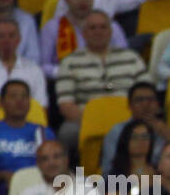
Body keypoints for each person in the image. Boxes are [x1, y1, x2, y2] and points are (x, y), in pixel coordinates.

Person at [55, 11, 153, 151]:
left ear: (111, 31)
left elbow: (147, 95)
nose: (98, 32)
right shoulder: (69, 62)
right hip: (86, 122)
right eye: (93, 28)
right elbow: (66, 104)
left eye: (103, 27)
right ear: (83, 33)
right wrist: (96, 122)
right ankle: (74, 172)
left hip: (130, 119)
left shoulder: (132, 57)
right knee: (67, 133)